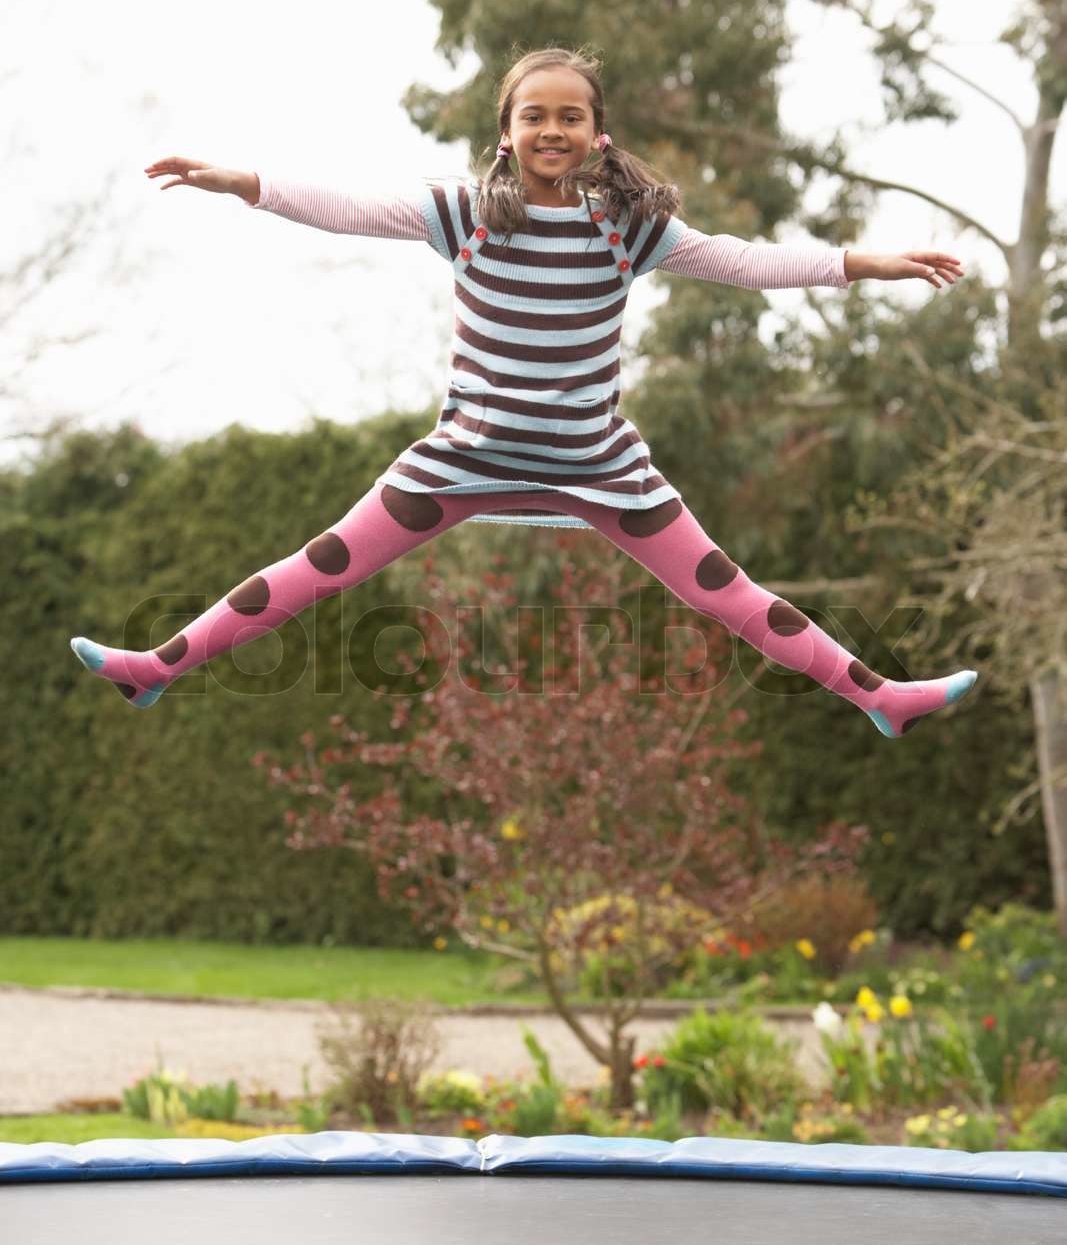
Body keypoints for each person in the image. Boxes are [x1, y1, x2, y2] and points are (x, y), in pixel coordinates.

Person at [71, 45, 975, 738]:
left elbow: (744, 260)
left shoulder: (630, 227)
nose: (553, 130)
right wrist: (249, 186)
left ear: (597, 133)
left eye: (571, 116)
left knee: (725, 592)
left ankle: (880, 696)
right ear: (505, 131)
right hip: (466, 457)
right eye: (534, 116)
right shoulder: (460, 214)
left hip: (597, 462)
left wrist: (865, 264)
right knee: (322, 564)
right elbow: (350, 205)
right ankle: (157, 664)